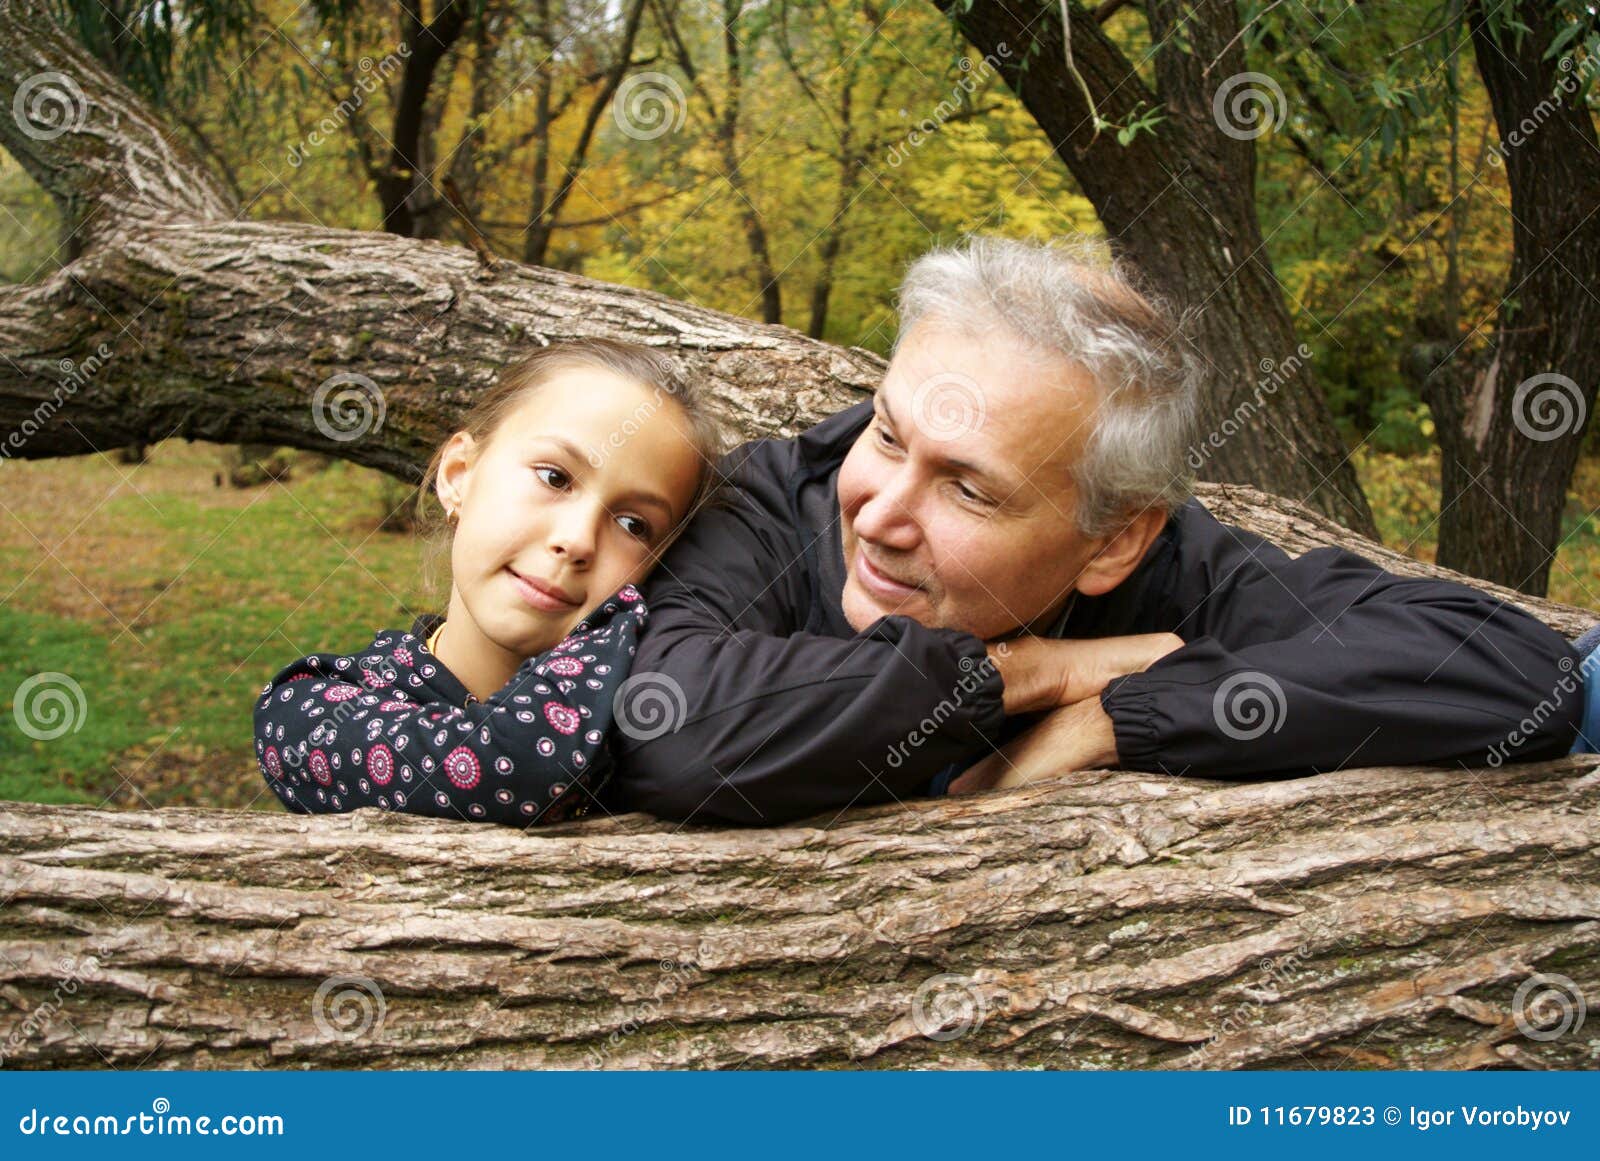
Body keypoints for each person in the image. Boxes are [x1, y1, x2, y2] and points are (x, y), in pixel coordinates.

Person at [610, 235, 1586, 825]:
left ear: (1113, 539)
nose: (880, 514)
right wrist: (1022, 675)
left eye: (969, 491)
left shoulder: (1174, 570)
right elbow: (677, 736)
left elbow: (1509, 674)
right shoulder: (768, 502)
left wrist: (1124, 715)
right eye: (887, 434)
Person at [252, 339, 724, 826]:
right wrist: (628, 611)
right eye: (555, 478)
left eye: (633, 526)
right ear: (459, 474)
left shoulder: (659, 707)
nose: (578, 541)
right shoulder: (304, 711)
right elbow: (516, 765)